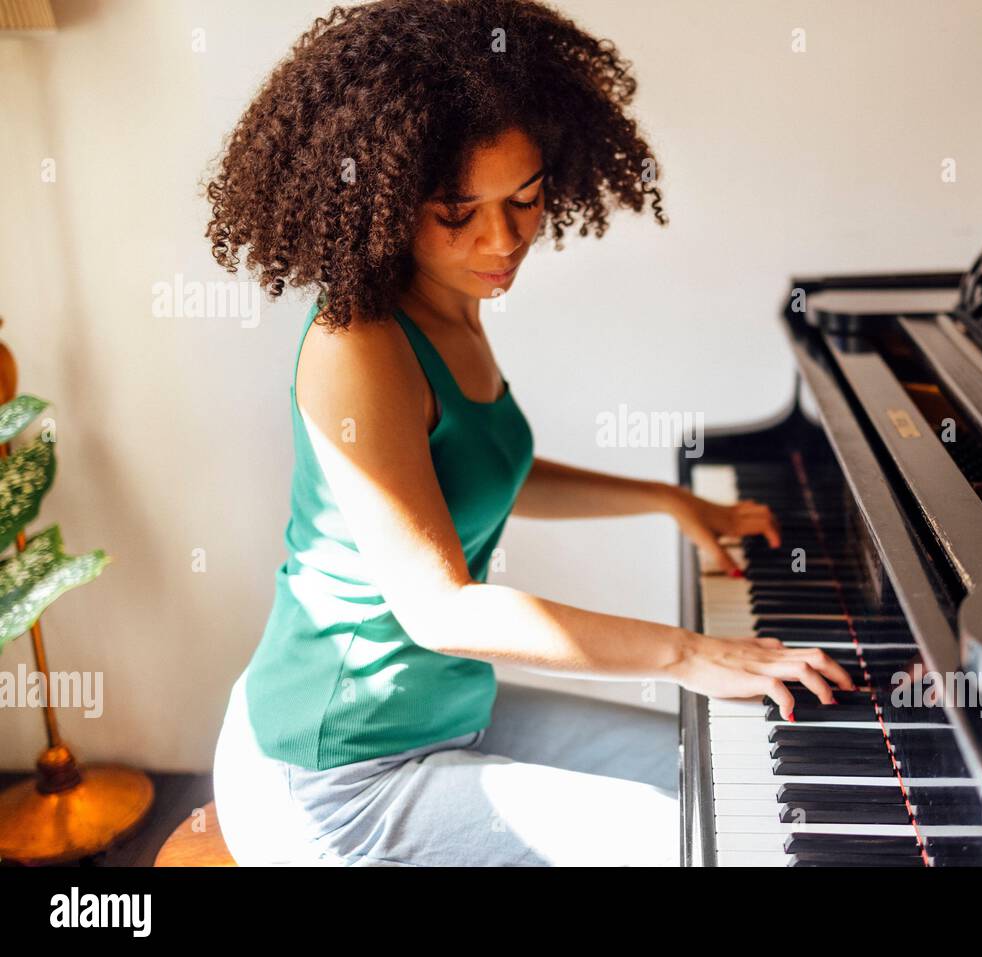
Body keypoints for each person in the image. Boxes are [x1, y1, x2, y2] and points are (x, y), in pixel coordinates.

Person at [207, 0, 852, 866]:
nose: (502, 239)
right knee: (696, 842)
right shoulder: (356, 345)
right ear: (391, 199)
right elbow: (439, 608)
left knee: (709, 759)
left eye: (525, 198)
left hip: (446, 707)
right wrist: (687, 650)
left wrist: (666, 501)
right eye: (458, 212)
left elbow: (489, 470)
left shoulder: (454, 302)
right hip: (333, 775)